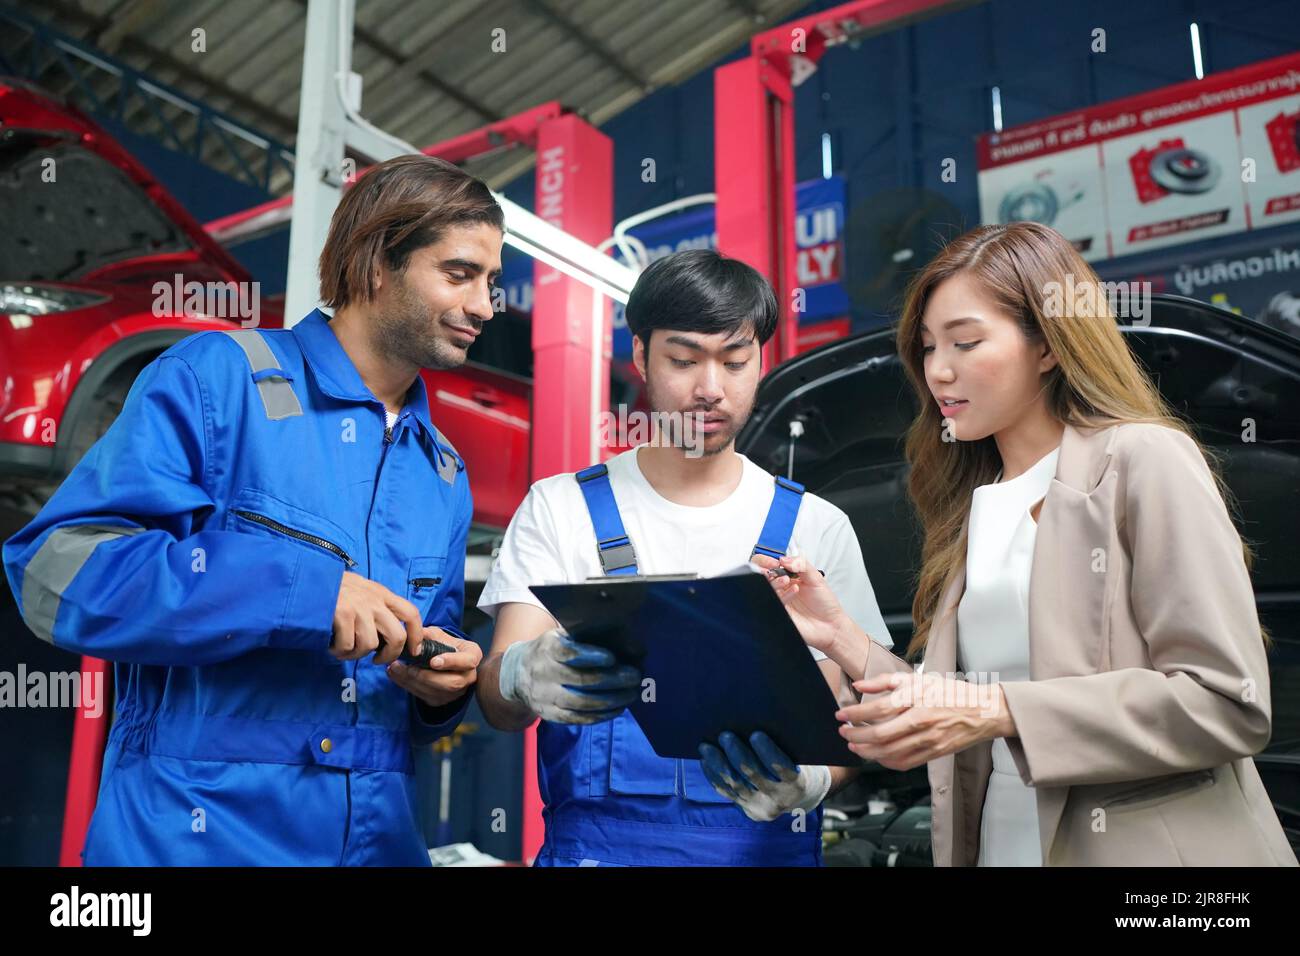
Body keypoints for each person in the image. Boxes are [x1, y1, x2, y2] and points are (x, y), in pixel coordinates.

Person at [2, 154, 498, 865]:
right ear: (376, 264)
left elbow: (402, 704)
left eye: (491, 282)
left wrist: (440, 693)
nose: (484, 305)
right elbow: (53, 575)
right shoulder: (219, 380)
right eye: (458, 274)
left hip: (379, 846)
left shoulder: (442, 472)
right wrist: (300, 591)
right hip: (200, 843)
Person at [753, 221, 1297, 866]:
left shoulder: (1144, 458)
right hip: (998, 843)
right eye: (927, 347)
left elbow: (1226, 704)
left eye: (966, 341)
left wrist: (996, 709)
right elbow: (961, 703)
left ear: (1047, 345)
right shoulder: (977, 501)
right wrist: (842, 636)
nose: (939, 370)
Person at [475, 249, 892, 866]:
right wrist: (517, 674)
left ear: (761, 361)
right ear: (640, 355)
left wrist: (815, 784)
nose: (710, 390)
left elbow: (867, 715)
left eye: (735, 360)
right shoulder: (562, 508)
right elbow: (496, 701)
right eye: (683, 359)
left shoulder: (816, 526)